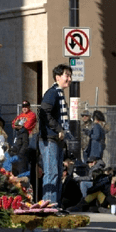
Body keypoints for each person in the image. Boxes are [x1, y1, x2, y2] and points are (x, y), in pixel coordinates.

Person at [38, 64, 72, 206]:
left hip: (56, 140)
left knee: (57, 175)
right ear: (58, 77)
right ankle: (48, 207)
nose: (69, 79)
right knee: (51, 174)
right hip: (49, 139)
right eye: (67, 76)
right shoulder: (52, 93)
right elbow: (44, 112)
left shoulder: (59, 94)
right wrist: (58, 129)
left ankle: (55, 206)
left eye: (70, 76)